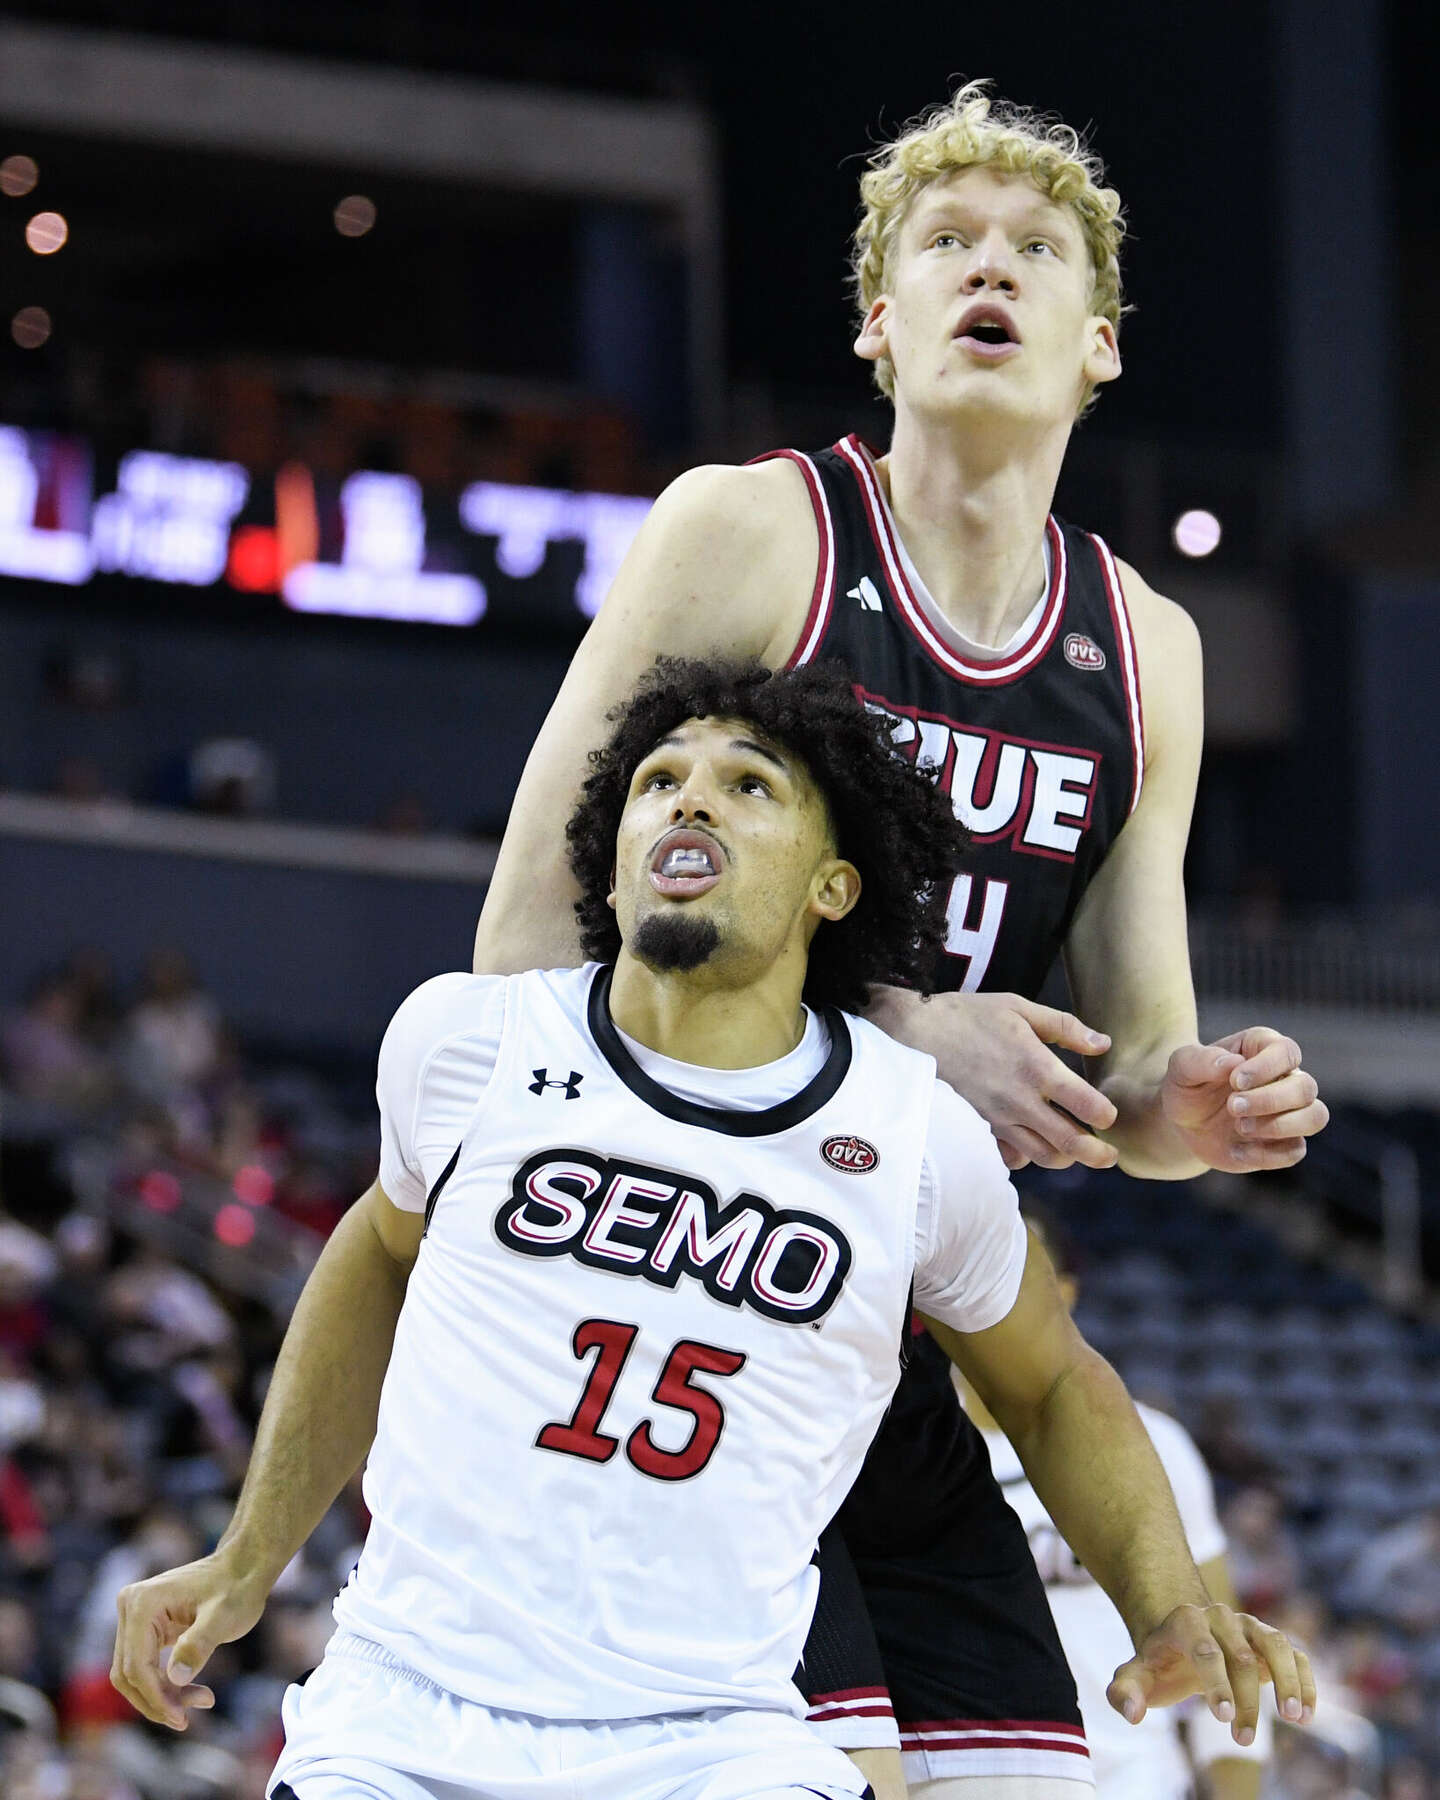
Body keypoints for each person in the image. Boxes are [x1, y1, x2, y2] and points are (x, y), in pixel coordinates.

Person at [468, 83, 1330, 1799]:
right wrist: (902, 1031)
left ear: (1099, 344)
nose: (986, 269)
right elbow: (517, 949)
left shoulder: (1146, 648)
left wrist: (1194, 1111)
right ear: (880, 320)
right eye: (945, 244)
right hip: (669, 1281)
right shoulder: (752, 534)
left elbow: (1136, 1064)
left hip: (896, 1327)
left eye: (1034, 251)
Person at [108, 661, 1312, 1800]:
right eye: (659, 782)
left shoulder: (914, 1140)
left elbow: (1053, 1388)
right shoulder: (464, 1041)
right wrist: (247, 1556)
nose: (693, 799)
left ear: (832, 887)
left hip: (713, 1738)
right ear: (616, 863)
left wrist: (1164, 1606)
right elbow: (378, 1254)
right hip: (407, 1710)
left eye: (750, 785)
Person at [951, 1208, 1271, 1799]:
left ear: (1065, 1292)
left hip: (1129, 1777)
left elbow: (1219, 1648)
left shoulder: (1151, 1443)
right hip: (955, 1769)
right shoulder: (896, 1442)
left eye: (1019, 1268)